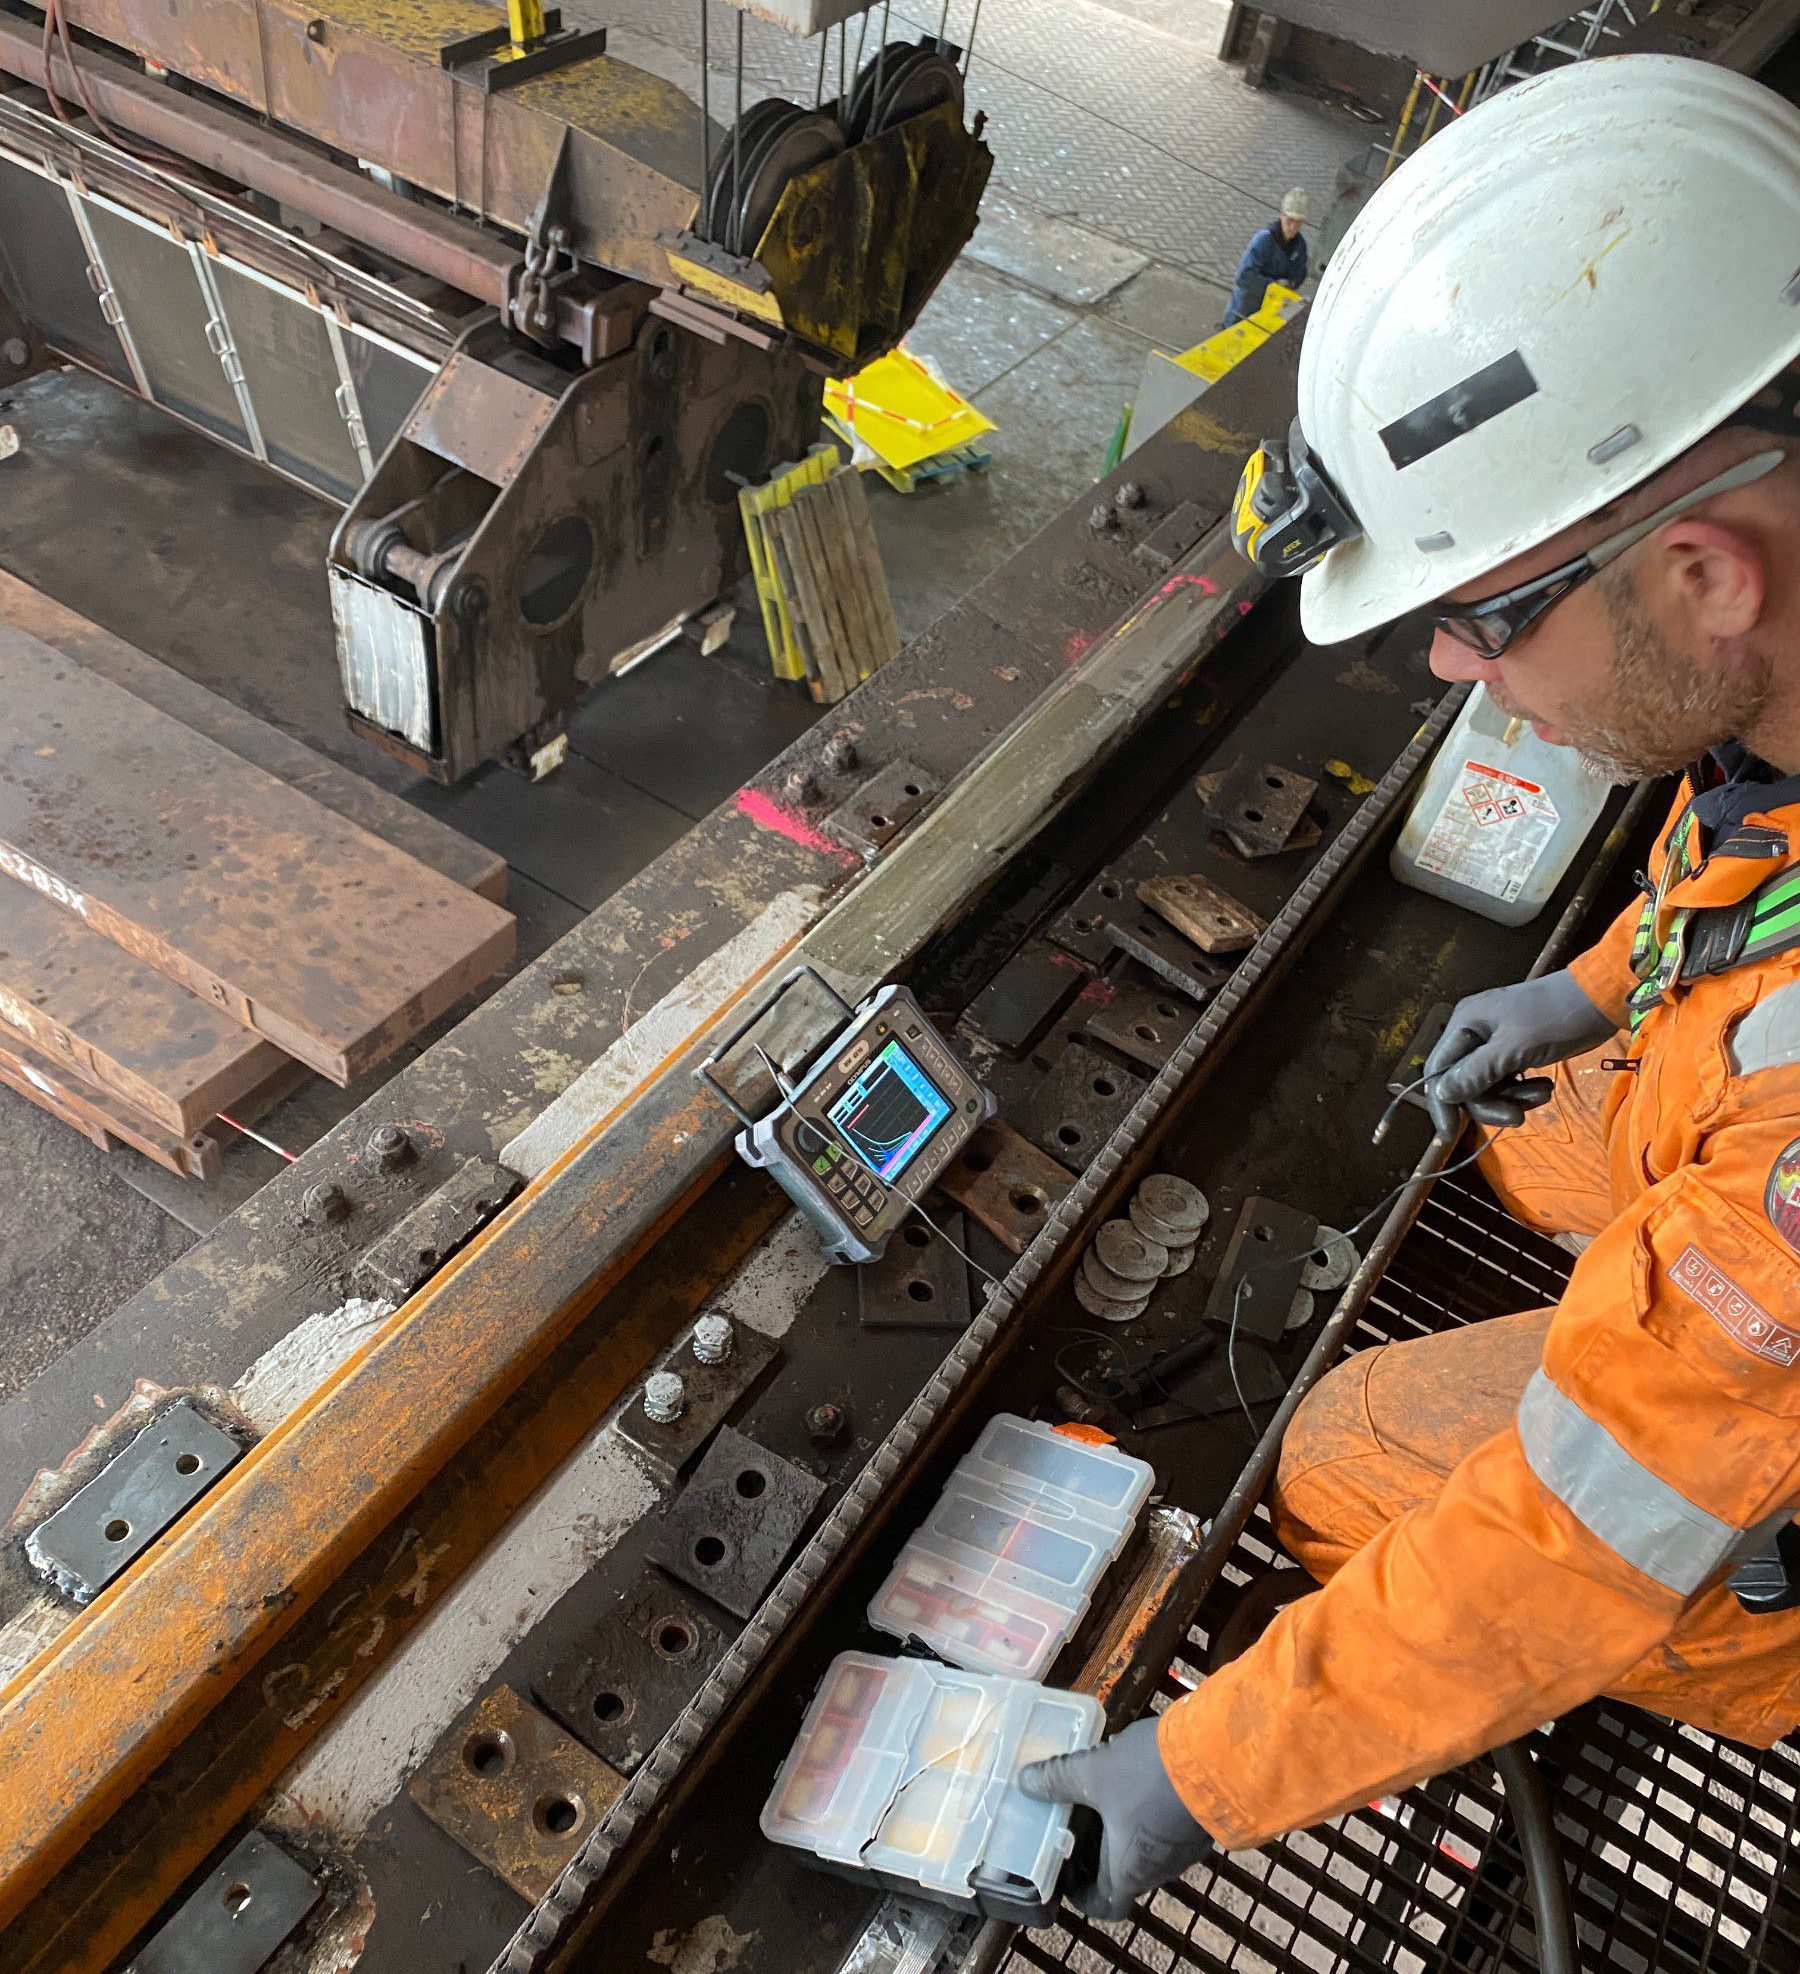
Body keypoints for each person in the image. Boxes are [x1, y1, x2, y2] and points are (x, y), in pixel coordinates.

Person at [1021, 53, 1800, 1918]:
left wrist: (1196, 1771)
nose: (1458, 664)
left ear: (1700, 570)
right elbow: (1757, 868)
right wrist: (1605, 990)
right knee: (1550, 1147)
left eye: (1494, 615)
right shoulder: (1775, 672)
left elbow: (1563, 1547)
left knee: (1359, 1443)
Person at [1222, 188, 1309, 327]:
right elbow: (1244, 276)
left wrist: (1291, 283)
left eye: (1298, 222)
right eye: (1290, 220)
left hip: (1267, 316)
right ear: (1281, 215)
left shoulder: (1299, 246)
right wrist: (1274, 285)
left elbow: (1300, 272)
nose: (1293, 228)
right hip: (1242, 313)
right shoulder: (1263, 241)